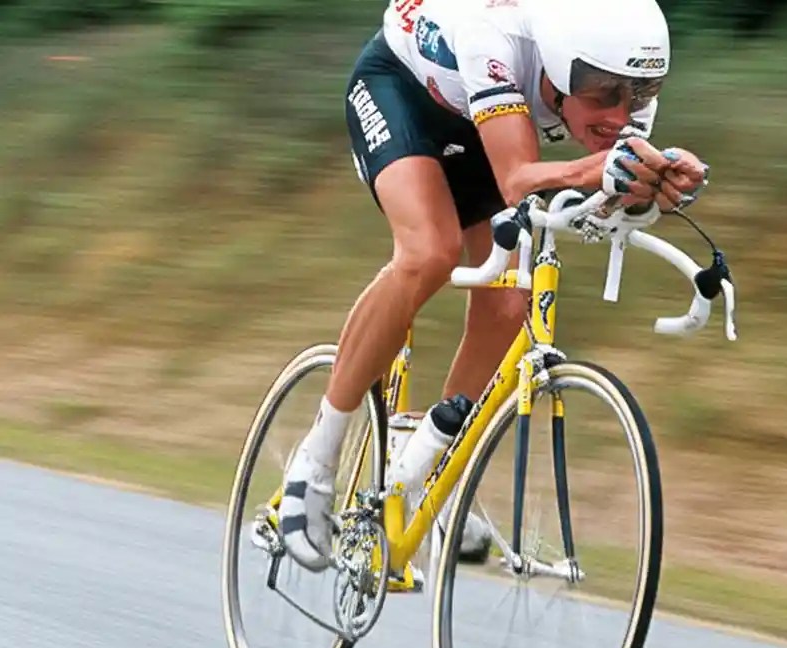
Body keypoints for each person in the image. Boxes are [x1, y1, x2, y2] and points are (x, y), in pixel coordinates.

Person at [278, 0, 710, 573]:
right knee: (428, 252)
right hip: (402, 93)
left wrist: (654, 187)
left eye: (642, 91)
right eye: (605, 91)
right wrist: (600, 171)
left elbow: (606, 194)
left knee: (509, 303)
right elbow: (516, 179)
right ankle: (316, 461)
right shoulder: (496, 37)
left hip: (488, 127)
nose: (622, 112)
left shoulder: (617, 91)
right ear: (558, 69)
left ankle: (430, 475)